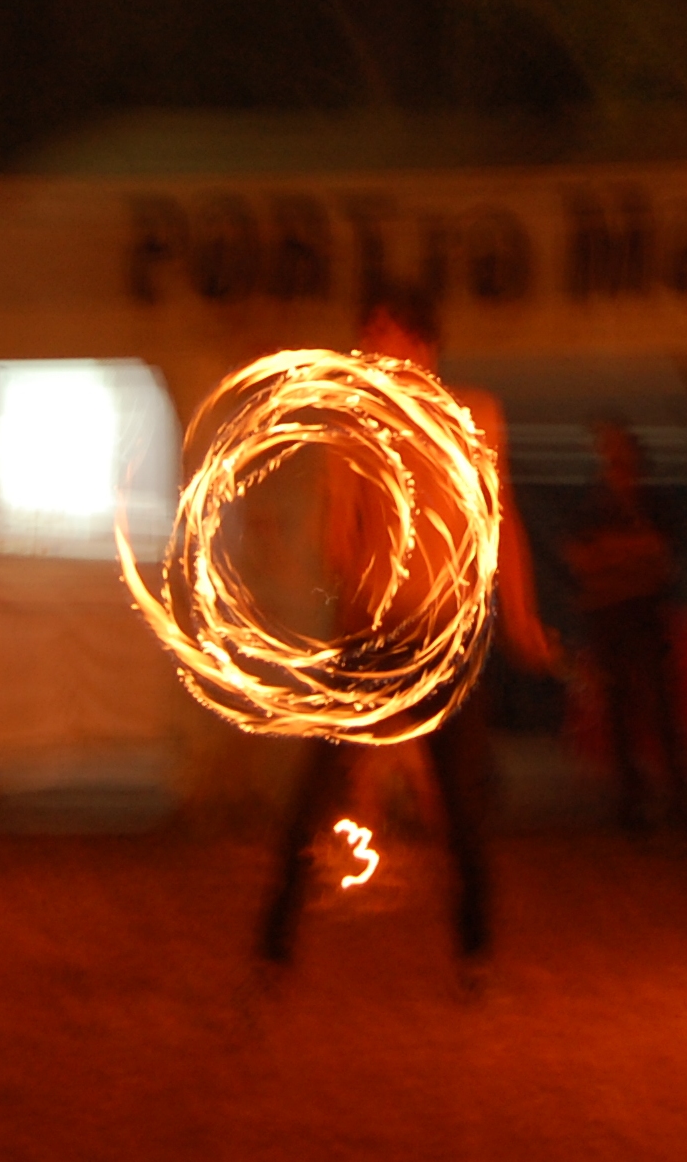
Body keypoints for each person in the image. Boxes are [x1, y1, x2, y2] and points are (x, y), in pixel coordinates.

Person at [257, 287, 559, 971]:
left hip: (445, 636)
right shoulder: (355, 423)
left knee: (463, 803)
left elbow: (501, 521)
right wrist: (337, 546)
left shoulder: (474, 415)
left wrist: (521, 615)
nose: (367, 347)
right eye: (365, 333)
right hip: (372, 638)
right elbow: (339, 539)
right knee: (313, 796)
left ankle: (476, 955)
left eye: (380, 331)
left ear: (421, 341)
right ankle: (273, 948)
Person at [564, 420, 687, 833]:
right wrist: (631, 554)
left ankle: (677, 800)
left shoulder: (650, 502)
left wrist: (613, 553)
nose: (613, 460)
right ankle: (633, 801)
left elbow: (661, 553)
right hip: (611, 618)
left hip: (642, 616)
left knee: (659, 707)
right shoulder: (592, 505)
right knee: (621, 709)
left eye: (618, 452)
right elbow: (580, 558)